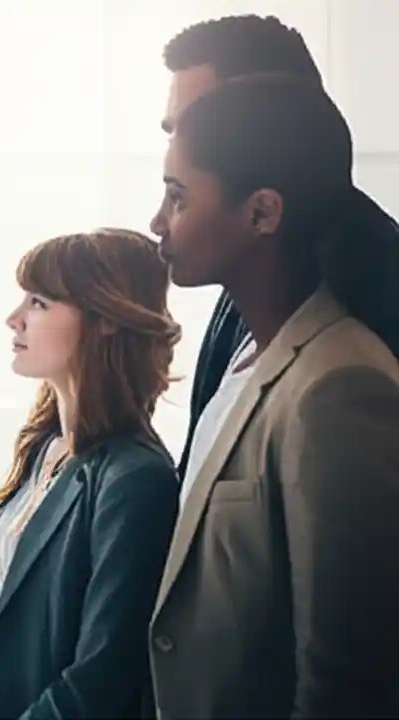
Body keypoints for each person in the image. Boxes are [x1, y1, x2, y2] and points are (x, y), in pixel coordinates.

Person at [148, 75, 399, 718]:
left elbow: (346, 677)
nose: (157, 222)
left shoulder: (340, 385)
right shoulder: (242, 356)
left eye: (178, 198)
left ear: (262, 213)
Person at [0, 229, 182, 720]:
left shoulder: (136, 479)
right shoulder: (43, 449)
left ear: (106, 322)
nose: (14, 318)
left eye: (39, 302)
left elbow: (103, 673)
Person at [158, 15, 324, 478]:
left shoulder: (363, 298)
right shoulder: (244, 291)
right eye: (173, 129)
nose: (183, 143)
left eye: (198, 122)